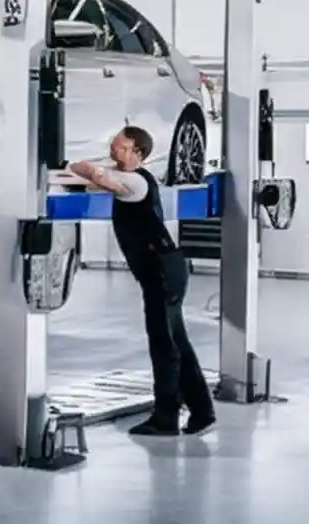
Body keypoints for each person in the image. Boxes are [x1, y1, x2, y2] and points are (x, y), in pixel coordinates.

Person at [70, 126, 217, 436]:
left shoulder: (134, 182)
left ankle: (166, 417)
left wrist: (82, 167)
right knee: (177, 342)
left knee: (164, 346)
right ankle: (202, 410)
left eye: (121, 147)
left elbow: (90, 172)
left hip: (160, 271)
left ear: (138, 153)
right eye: (113, 145)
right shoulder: (134, 178)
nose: (113, 150)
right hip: (166, 267)